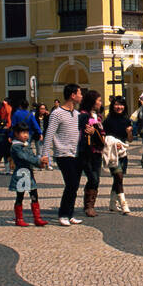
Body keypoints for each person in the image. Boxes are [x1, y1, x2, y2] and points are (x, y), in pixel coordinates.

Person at [46, 84, 83, 225]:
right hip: (62, 153)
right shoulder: (57, 113)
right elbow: (49, 133)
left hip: (76, 153)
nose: (81, 96)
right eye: (80, 93)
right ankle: (63, 214)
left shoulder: (77, 114)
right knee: (71, 183)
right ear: (73, 95)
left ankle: (70, 213)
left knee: (74, 185)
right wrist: (45, 155)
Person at [8, 120, 49, 227]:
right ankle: (19, 219)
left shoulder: (26, 145)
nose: (26, 135)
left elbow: (32, 157)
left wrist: (40, 163)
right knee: (20, 196)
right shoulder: (16, 147)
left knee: (34, 195)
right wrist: (38, 161)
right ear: (16, 134)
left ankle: (37, 218)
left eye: (27, 132)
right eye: (23, 133)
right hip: (21, 174)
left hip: (29, 174)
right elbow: (25, 157)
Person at [77, 90, 105, 218]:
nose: (100, 103)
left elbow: (101, 132)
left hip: (97, 152)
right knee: (92, 178)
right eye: (99, 100)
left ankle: (90, 205)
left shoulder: (98, 116)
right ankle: (88, 205)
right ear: (92, 102)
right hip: (87, 152)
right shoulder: (83, 115)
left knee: (96, 179)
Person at [102, 95, 132, 213]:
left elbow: (129, 140)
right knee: (118, 176)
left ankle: (112, 203)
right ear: (112, 106)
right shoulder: (108, 121)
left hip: (122, 153)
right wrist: (114, 143)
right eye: (116, 105)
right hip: (112, 153)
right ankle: (124, 204)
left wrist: (129, 132)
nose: (119, 107)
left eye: (121, 105)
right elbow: (104, 138)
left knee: (118, 179)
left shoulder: (126, 120)